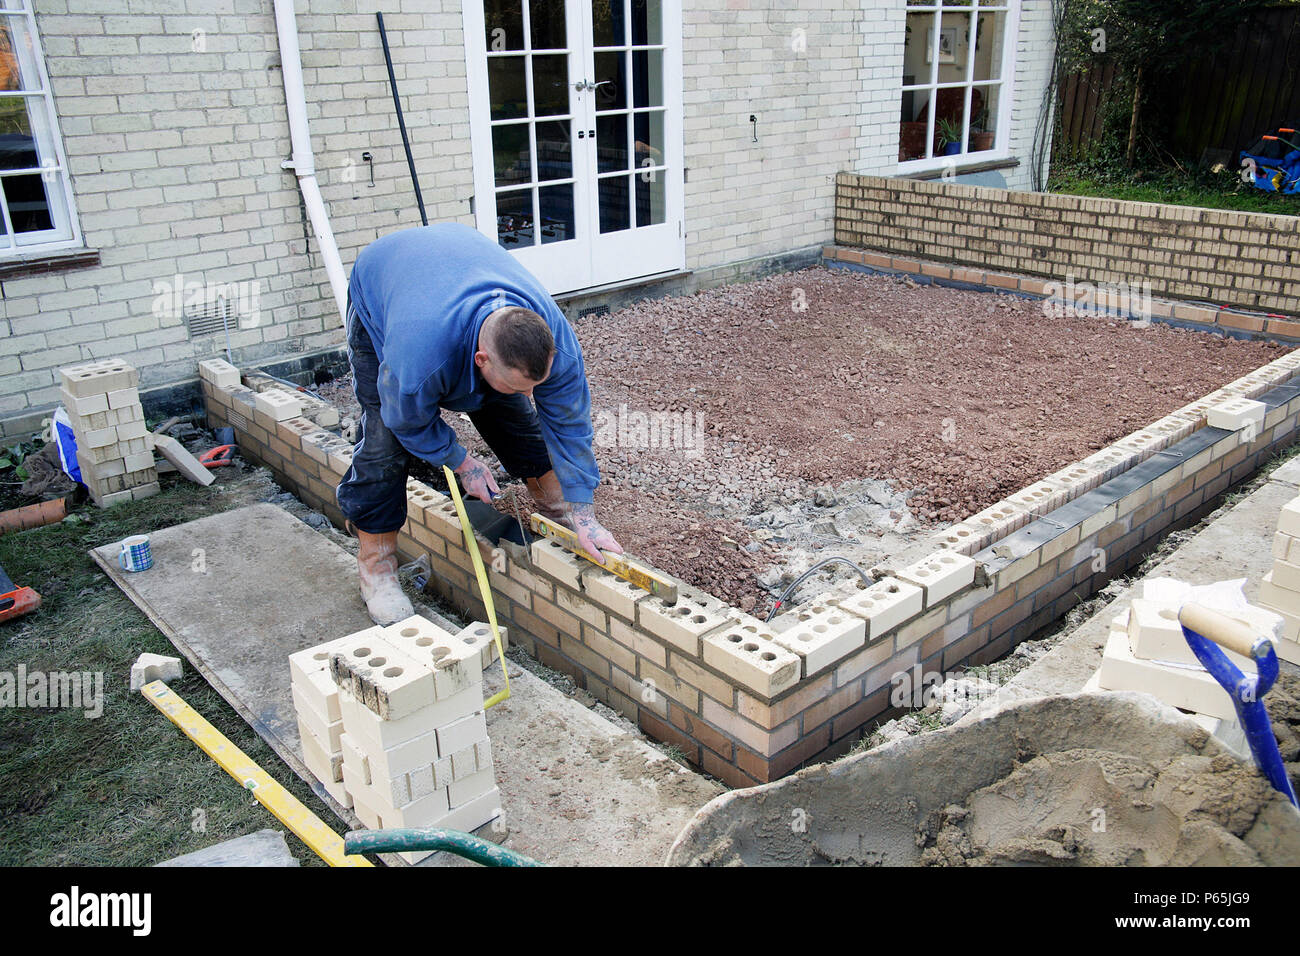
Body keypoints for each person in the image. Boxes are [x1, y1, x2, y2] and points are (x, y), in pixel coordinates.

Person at [337, 222, 623, 625]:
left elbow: (569, 425)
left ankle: (558, 515)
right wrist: (461, 461)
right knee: (385, 444)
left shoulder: (553, 339)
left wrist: (584, 513)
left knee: (517, 419)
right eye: (517, 385)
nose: (530, 395)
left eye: (533, 387)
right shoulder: (419, 357)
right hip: (384, 283)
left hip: (456, 271)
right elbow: (407, 420)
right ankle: (376, 568)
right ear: (481, 360)